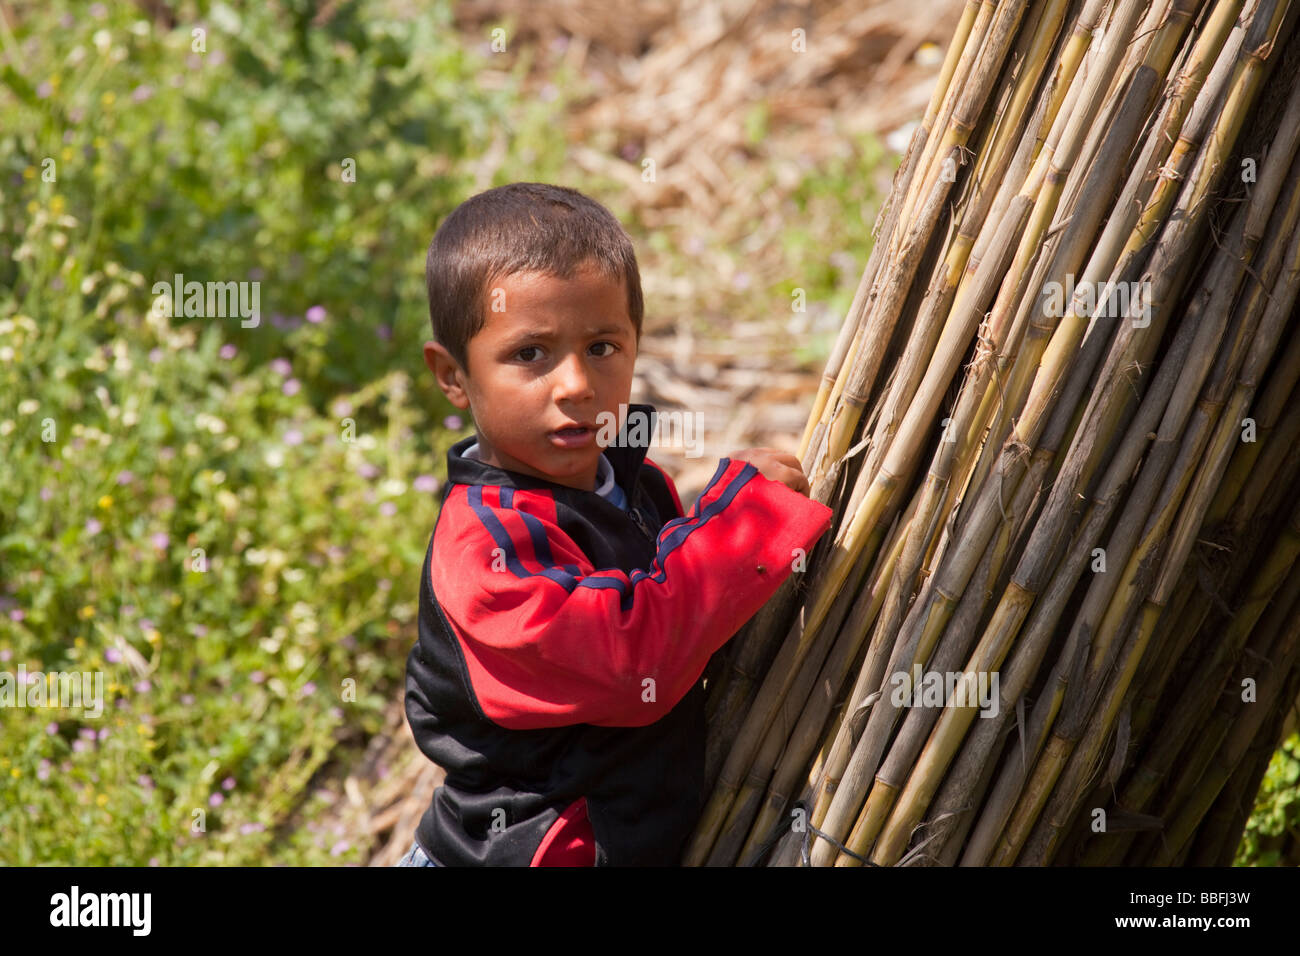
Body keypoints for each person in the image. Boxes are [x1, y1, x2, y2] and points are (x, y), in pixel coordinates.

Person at [397, 182, 832, 866]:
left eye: (602, 346)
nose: (575, 384)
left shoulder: (631, 483)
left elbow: (680, 615)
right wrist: (743, 526)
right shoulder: (485, 549)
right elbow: (631, 658)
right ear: (453, 376)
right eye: (530, 354)